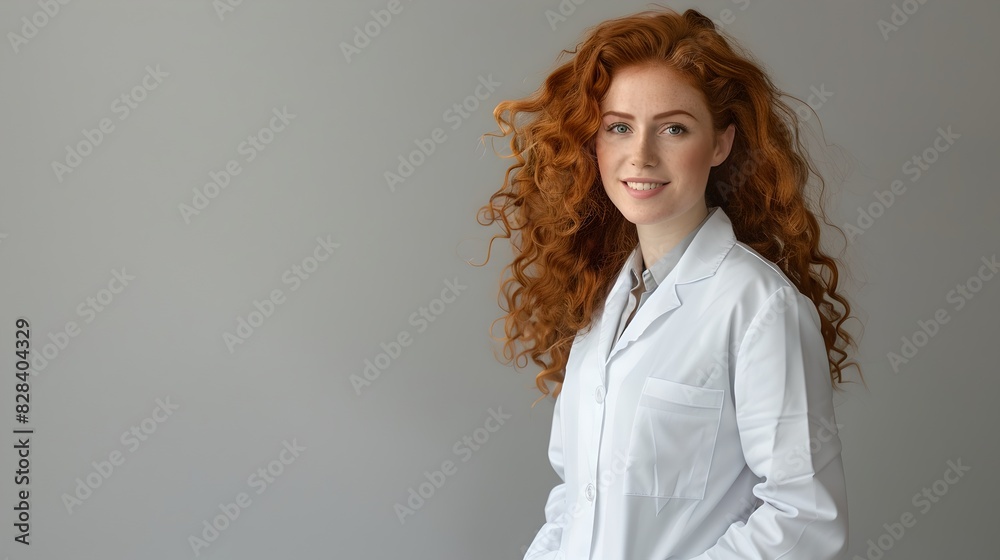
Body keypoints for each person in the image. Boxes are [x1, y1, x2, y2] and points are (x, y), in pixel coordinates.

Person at [475, 7, 866, 560]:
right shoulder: (600, 305)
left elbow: (805, 517)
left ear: (721, 144)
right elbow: (575, 499)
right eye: (619, 127)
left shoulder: (759, 307)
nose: (640, 155)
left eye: (673, 128)